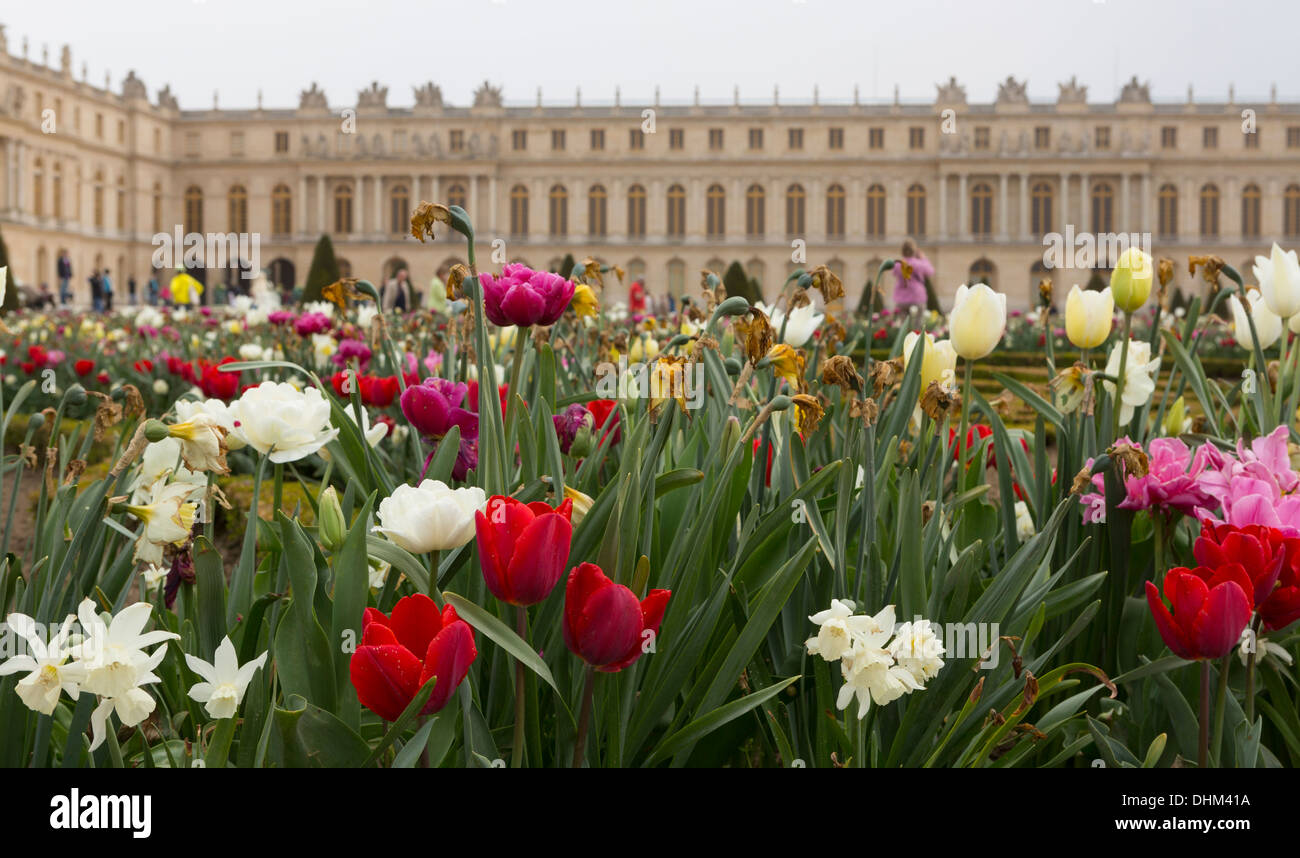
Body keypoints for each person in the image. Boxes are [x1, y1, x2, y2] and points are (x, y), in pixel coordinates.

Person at [892, 239, 933, 314]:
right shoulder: (918, 264)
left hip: (901, 299)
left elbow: (894, 273)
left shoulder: (898, 264)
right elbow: (930, 271)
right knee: (917, 324)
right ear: (914, 251)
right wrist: (923, 258)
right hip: (917, 297)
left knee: (904, 324)